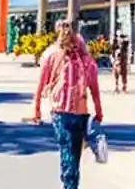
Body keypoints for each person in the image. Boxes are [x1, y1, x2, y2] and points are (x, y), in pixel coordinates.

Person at [32, 21, 104, 189]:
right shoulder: (87, 60)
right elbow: (95, 89)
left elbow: (41, 84)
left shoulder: (51, 54)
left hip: (61, 112)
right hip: (80, 112)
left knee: (69, 152)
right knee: (73, 154)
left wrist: (36, 109)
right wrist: (99, 113)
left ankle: (69, 184)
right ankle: (70, 184)